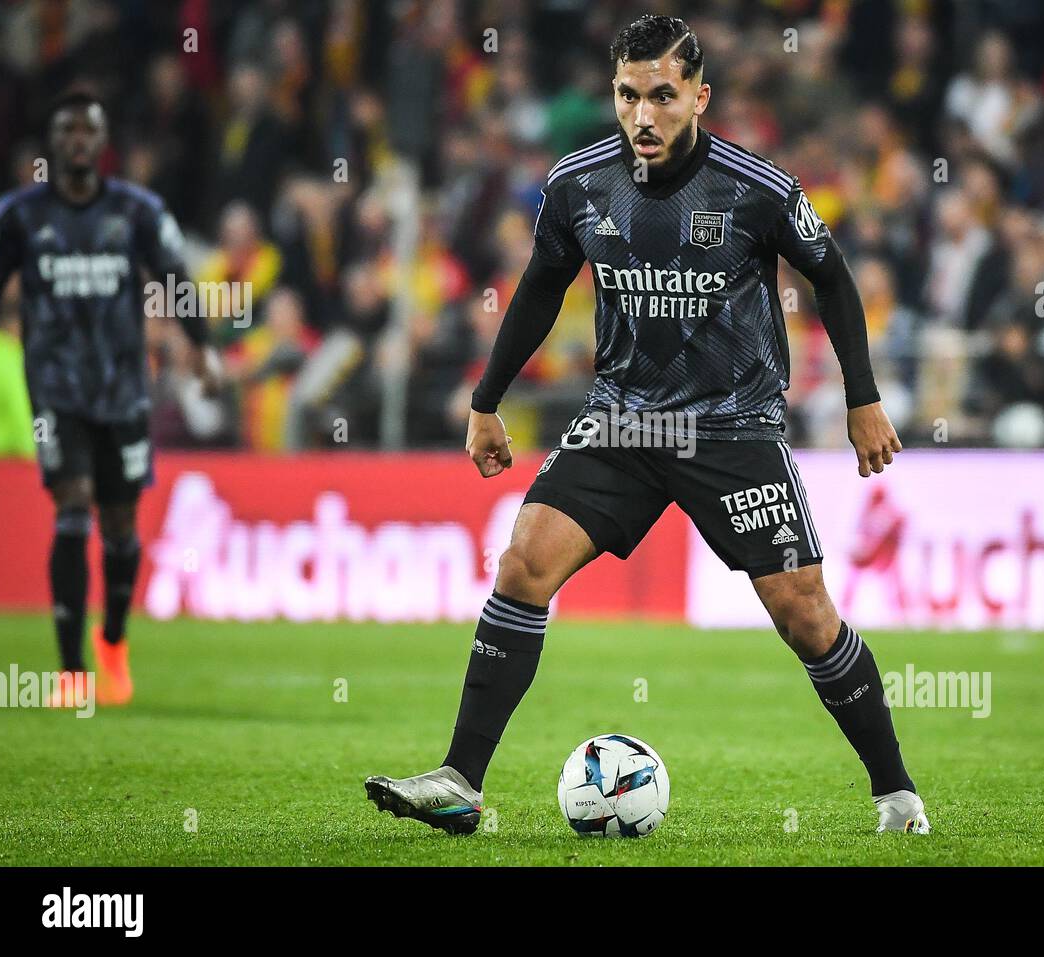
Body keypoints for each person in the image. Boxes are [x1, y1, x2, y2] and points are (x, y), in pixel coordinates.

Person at [365, 16, 930, 835]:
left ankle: (897, 793)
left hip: (732, 427)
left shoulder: (758, 189)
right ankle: (460, 780)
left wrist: (862, 396)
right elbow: (538, 289)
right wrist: (486, 400)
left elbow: (833, 279)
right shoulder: (578, 184)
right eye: (629, 95)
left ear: (699, 97)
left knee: (805, 613)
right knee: (522, 562)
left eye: (663, 95)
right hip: (623, 424)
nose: (643, 115)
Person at [0, 91, 217, 707]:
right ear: (53, 141)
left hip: (123, 390)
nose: (78, 142)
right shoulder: (18, 216)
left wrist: (202, 347)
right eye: (67, 131)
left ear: (102, 139)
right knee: (71, 509)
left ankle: (112, 643)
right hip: (55, 391)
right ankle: (69, 671)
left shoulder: (135, 211)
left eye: (89, 130)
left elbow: (175, 276)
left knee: (120, 529)